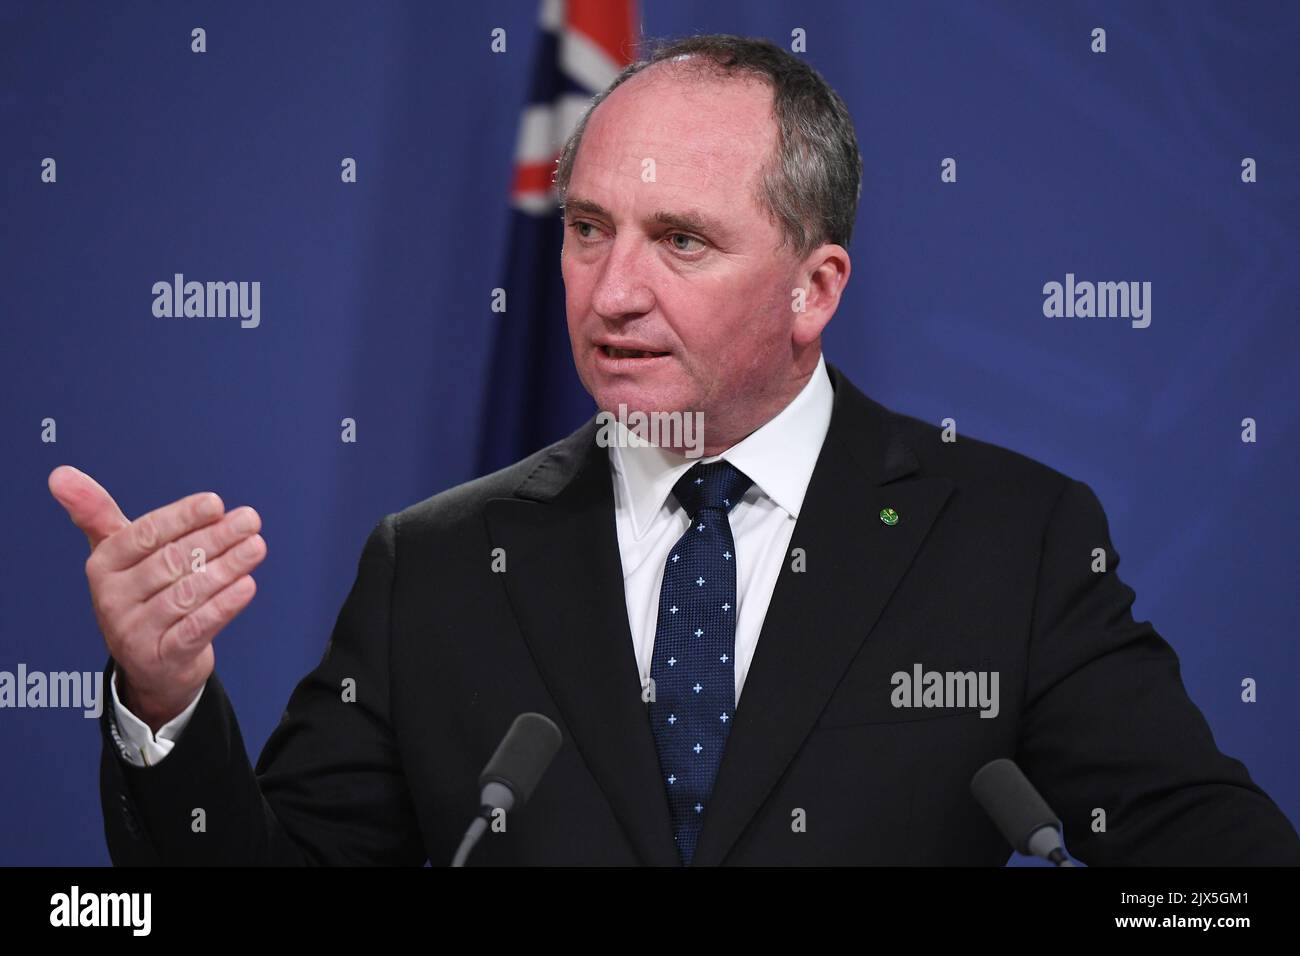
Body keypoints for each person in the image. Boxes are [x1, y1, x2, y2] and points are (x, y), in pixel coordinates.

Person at [49, 35, 1300, 865]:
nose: (609, 292)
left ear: (815, 287)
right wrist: (164, 706)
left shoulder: (1007, 541)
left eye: (681, 241)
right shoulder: (436, 562)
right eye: (588, 228)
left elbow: (1212, 868)